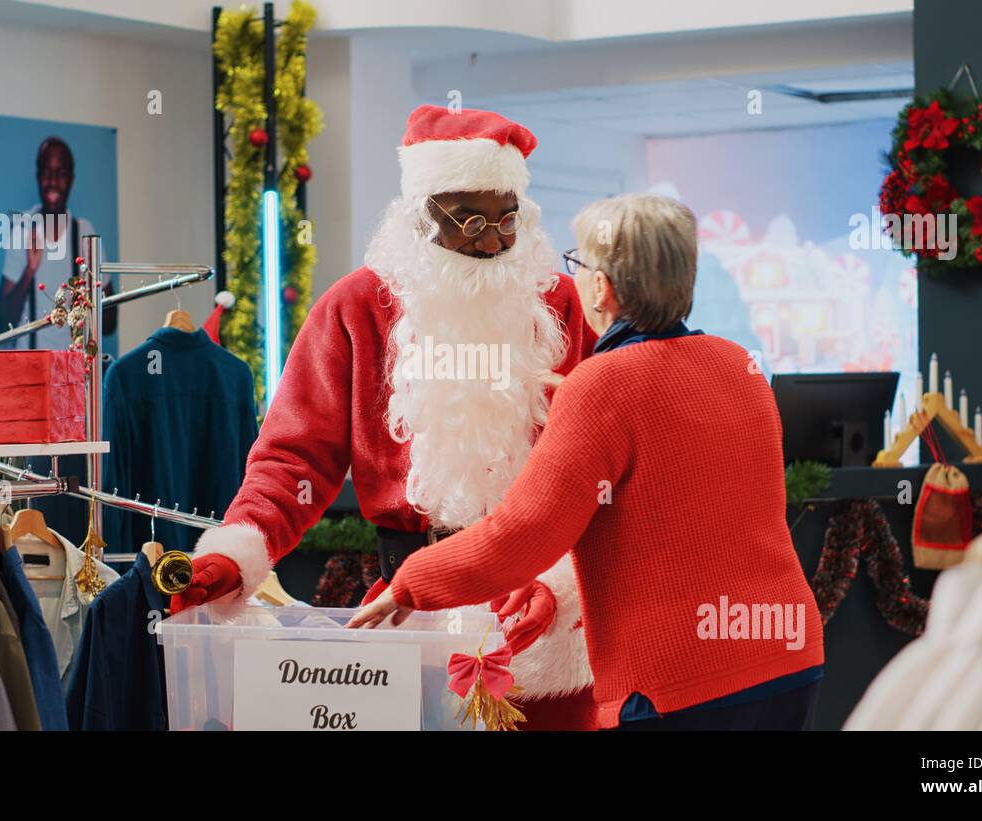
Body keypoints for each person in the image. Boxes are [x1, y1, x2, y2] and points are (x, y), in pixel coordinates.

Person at [171, 105, 600, 730]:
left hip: (539, 616)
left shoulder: (556, 302)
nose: (492, 242)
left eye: (508, 219)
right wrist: (240, 551)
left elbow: (593, 463)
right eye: (471, 220)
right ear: (422, 216)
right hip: (408, 615)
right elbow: (295, 458)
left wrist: (563, 579)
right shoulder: (356, 309)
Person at [350, 193, 825, 731]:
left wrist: (412, 582)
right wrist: (583, 401)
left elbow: (522, 536)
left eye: (579, 264)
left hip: (678, 682)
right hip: (787, 654)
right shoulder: (737, 362)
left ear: (602, 286)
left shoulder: (602, 385)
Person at [0, 136, 115, 349]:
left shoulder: (84, 233)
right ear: (38, 177)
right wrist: (29, 271)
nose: (53, 181)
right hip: (30, 373)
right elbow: (4, 321)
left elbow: (109, 324)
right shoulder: (23, 229)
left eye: (60, 173)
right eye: (46, 172)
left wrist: (88, 288)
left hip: (74, 374)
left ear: (71, 179)